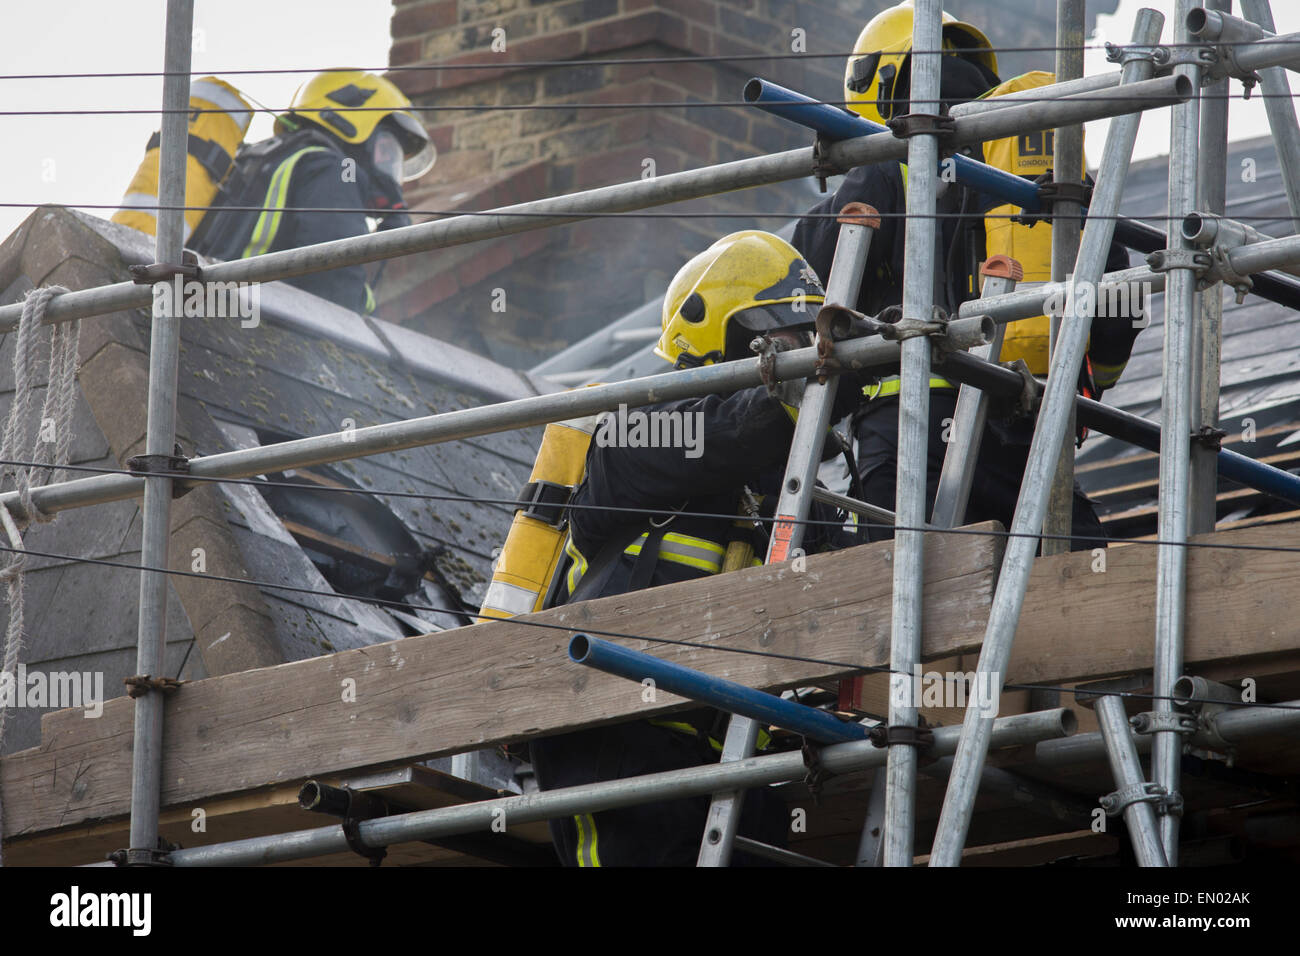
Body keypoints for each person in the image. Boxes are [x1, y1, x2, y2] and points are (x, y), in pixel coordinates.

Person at [529, 231, 863, 866]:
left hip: (744, 744)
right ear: (720, 336)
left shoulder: (792, 492)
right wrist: (828, 375)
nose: (796, 356)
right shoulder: (636, 430)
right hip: (619, 734)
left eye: (803, 341)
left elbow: (856, 592)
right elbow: (735, 429)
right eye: (779, 341)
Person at [792, 1, 1143, 549]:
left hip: (914, 424)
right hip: (1029, 422)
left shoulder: (897, 160)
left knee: (896, 598)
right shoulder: (1055, 171)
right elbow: (1121, 314)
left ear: (878, 82)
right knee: (1070, 584)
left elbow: (817, 281)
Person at [189, 70, 435, 314]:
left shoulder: (271, 158)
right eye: (388, 151)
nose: (390, 168)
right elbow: (337, 289)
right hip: (244, 320)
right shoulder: (332, 170)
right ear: (349, 121)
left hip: (219, 310)